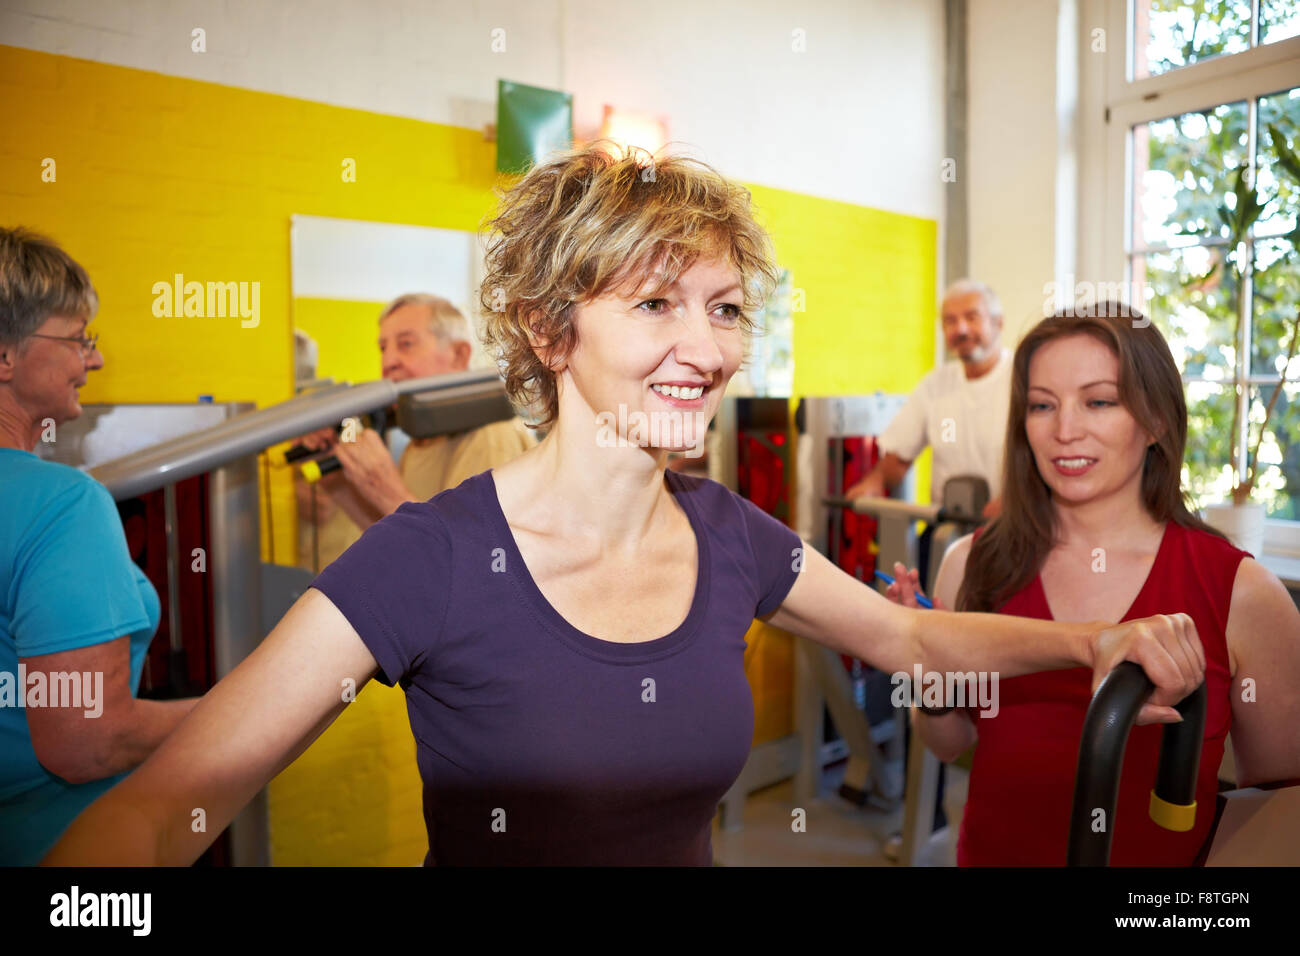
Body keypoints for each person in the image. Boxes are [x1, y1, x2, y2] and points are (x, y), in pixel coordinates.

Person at [45, 147, 1204, 867]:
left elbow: (907, 635)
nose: (704, 347)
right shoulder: (430, 559)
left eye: (725, 308)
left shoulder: (727, 536)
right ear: (552, 332)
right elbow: (158, 813)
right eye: (655, 305)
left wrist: (1088, 640)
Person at [885, 303, 1300, 866]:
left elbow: (1278, 810)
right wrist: (923, 666)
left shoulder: (1243, 592)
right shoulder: (972, 563)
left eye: (1098, 401)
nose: (1064, 431)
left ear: (1155, 419)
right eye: (1042, 405)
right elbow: (949, 742)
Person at [0, 227, 199, 864]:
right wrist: (235, 707)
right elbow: (89, 742)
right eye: (78, 338)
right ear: (5, 353)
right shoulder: (62, 504)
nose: (95, 359)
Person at [296, 294, 535, 571]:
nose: (389, 361)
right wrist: (337, 482)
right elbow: (400, 536)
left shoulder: (490, 434)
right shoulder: (418, 445)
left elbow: (475, 564)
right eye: (383, 348)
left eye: (406, 344)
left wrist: (384, 486)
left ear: (459, 355)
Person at [847, 279, 1010, 524]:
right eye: (950, 321)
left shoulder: (1025, 377)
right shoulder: (935, 384)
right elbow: (899, 453)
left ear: (998, 323)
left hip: (1009, 529)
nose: (961, 329)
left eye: (972, 317)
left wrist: (1015, 501)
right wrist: (876, 480)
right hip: (946, 528)